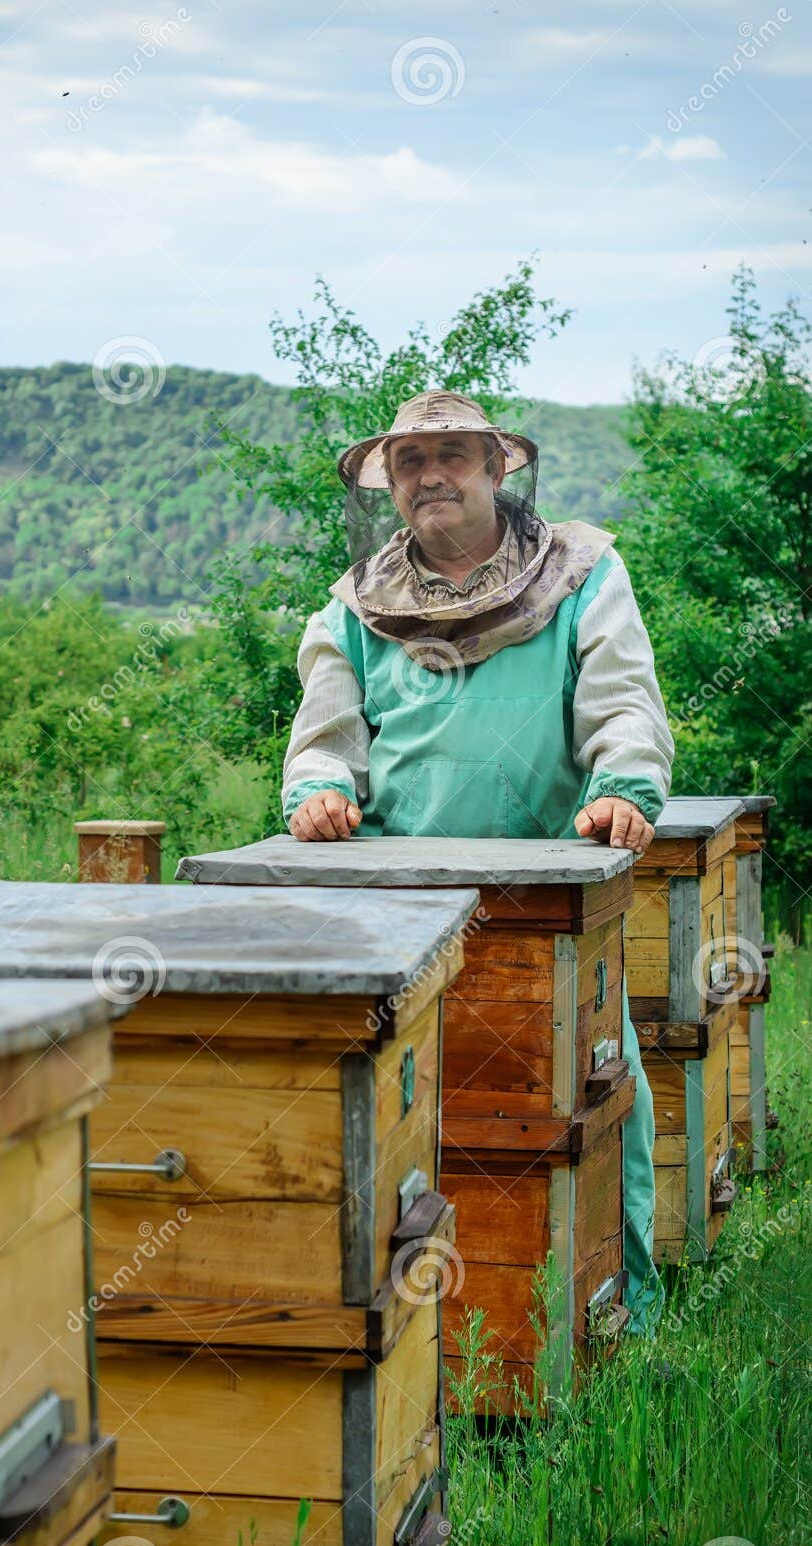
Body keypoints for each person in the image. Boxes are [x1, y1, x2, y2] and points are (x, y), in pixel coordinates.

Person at [281, 389, 674, 1331]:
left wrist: (623, 785)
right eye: (410, 463)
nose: (430, 476)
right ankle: (441, 1328)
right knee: (415, 1108)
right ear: (390, 485)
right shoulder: (351, 608)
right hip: (394, 904)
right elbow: (324, 739)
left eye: (452, 455)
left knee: (591, 1093)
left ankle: (612, 1311)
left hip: (549, 896)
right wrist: (321, 791)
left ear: (498, 468)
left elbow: (623, 702)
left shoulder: (583, 572)